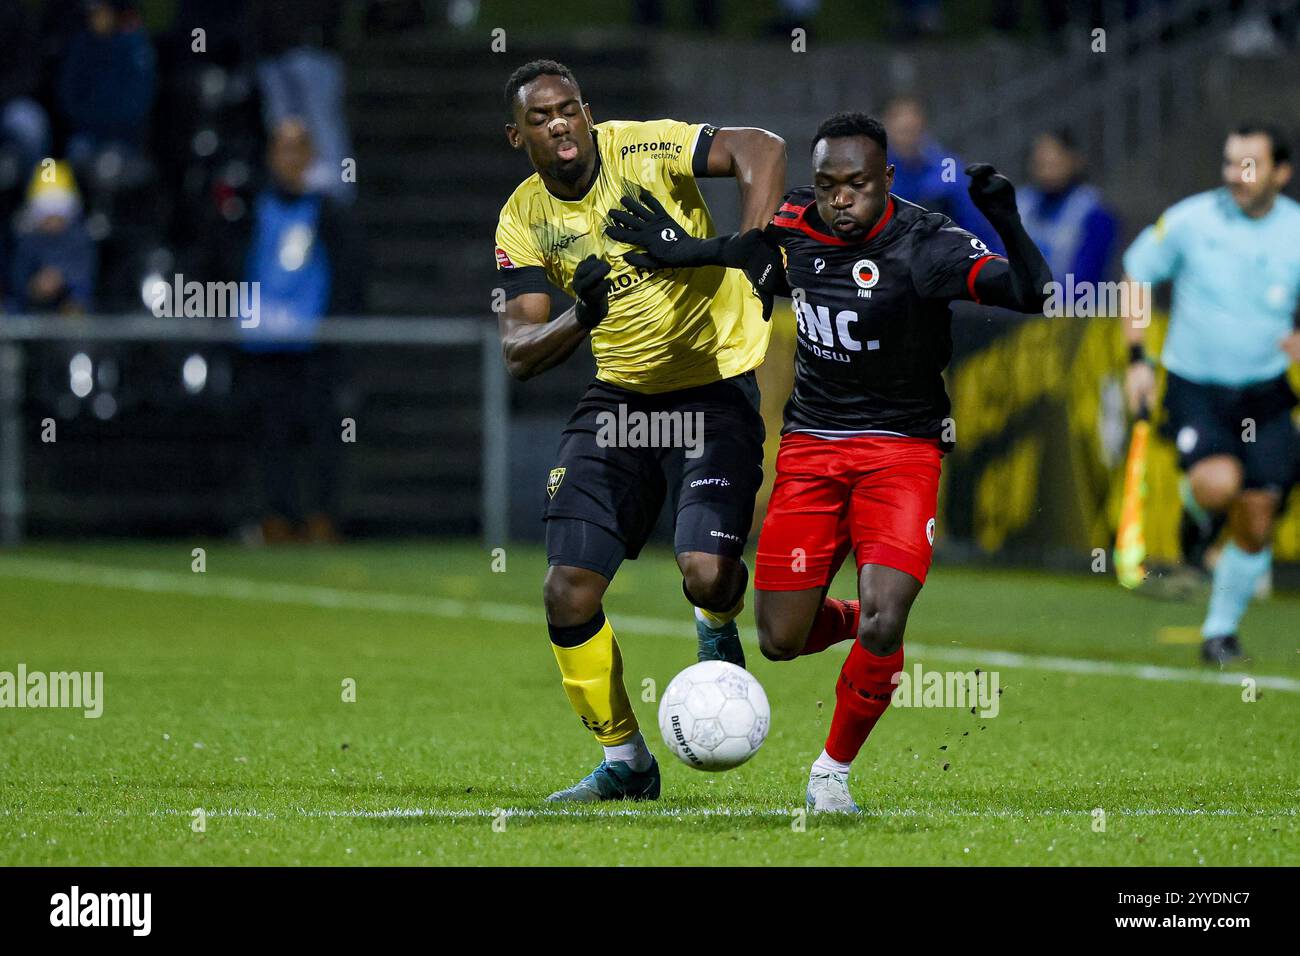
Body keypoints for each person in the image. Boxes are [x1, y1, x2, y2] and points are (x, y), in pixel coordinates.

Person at [618, 111, 1051, 813]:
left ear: (887, 180)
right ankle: (857, 615)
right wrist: (680, 250)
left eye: (856, 185)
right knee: (782, 640)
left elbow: (1036, 294)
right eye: (826, 186)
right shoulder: (797, 223)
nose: (840, 199)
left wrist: (1006, 217)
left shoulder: (929, 244)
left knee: (889, 619)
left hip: (901, 452)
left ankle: (831, 775)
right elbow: (754, 254)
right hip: (812, 449)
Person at [493, 59, 785, 802]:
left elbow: (764, 149)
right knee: (567, 591)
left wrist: (749, 248)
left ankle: (715, 625)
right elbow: (519, 354)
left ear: (587, 112)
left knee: (708, 572)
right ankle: (626, 761)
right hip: (620, 401)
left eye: (569, 109)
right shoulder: (523, 219)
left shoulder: (645, 149)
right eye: (540, 116)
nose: (559, 123)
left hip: (714, 388)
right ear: (517, 135)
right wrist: (580, 315)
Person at [1121, 122, 1300, 666]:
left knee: (1260, 511)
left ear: (1281, 173)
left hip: (1267, 390)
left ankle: (1219, 632)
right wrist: (1137, 361)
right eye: (1229, 163)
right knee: (1219, 484)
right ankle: (1199, 522)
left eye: (1249, 165)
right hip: (1196, 387)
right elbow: (1136, 275)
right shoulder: (1190, 220)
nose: (1235, 176)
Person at [239, 117, 365, 544]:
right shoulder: (249, 208)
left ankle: (320, 518)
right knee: (269, 435)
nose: (290, 159)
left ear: (310, 157)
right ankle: (274, 517)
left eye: (298, 149)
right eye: (282, 149)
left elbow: (350, 278)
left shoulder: (330, 211)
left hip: (315, 345)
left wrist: (339, 330)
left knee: (322, 434)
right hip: (261, 345)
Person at [882, 95, 1002, 252]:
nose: (907, 137)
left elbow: (975, 222)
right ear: (887, 127)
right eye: (902, 131)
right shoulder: (875, 171)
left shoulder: (947, 166)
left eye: (911, 129)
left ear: (922, 125)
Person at [1018, 128, 1119, 288]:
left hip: (1074, 308)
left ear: (1074, 161)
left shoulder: (1094, 212)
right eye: (1041, 164)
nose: (1047, 172)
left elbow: (1086, 279)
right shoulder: (1021, 205)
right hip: (1023, 307)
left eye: (1054, 164)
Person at [7, 161, 96, 314]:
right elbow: (16, 281)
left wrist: (63, 280)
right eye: (45, 210)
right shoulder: (26, 240)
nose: (52, 218)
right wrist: (34, 287)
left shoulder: (80, 239)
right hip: (28, 312)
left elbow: (86, 281)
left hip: (69, 315)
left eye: (58, 210)